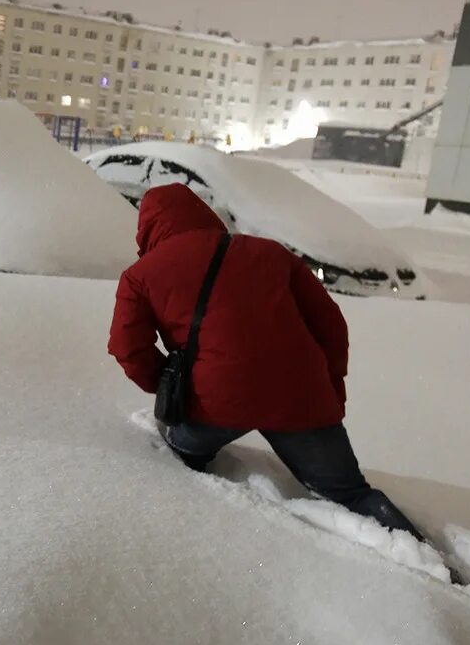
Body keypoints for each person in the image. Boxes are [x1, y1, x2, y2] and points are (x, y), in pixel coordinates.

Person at [108, 183, 425, 541]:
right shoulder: (271, 253)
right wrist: (330, 387)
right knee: (351, 492)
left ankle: (191, 523)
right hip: (302, 397)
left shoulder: (141, 275)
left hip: (213, 404)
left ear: (148, 227)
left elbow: (127, 348)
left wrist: (168, 387)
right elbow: (330, 324)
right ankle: (430, 561)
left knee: (175, 451)